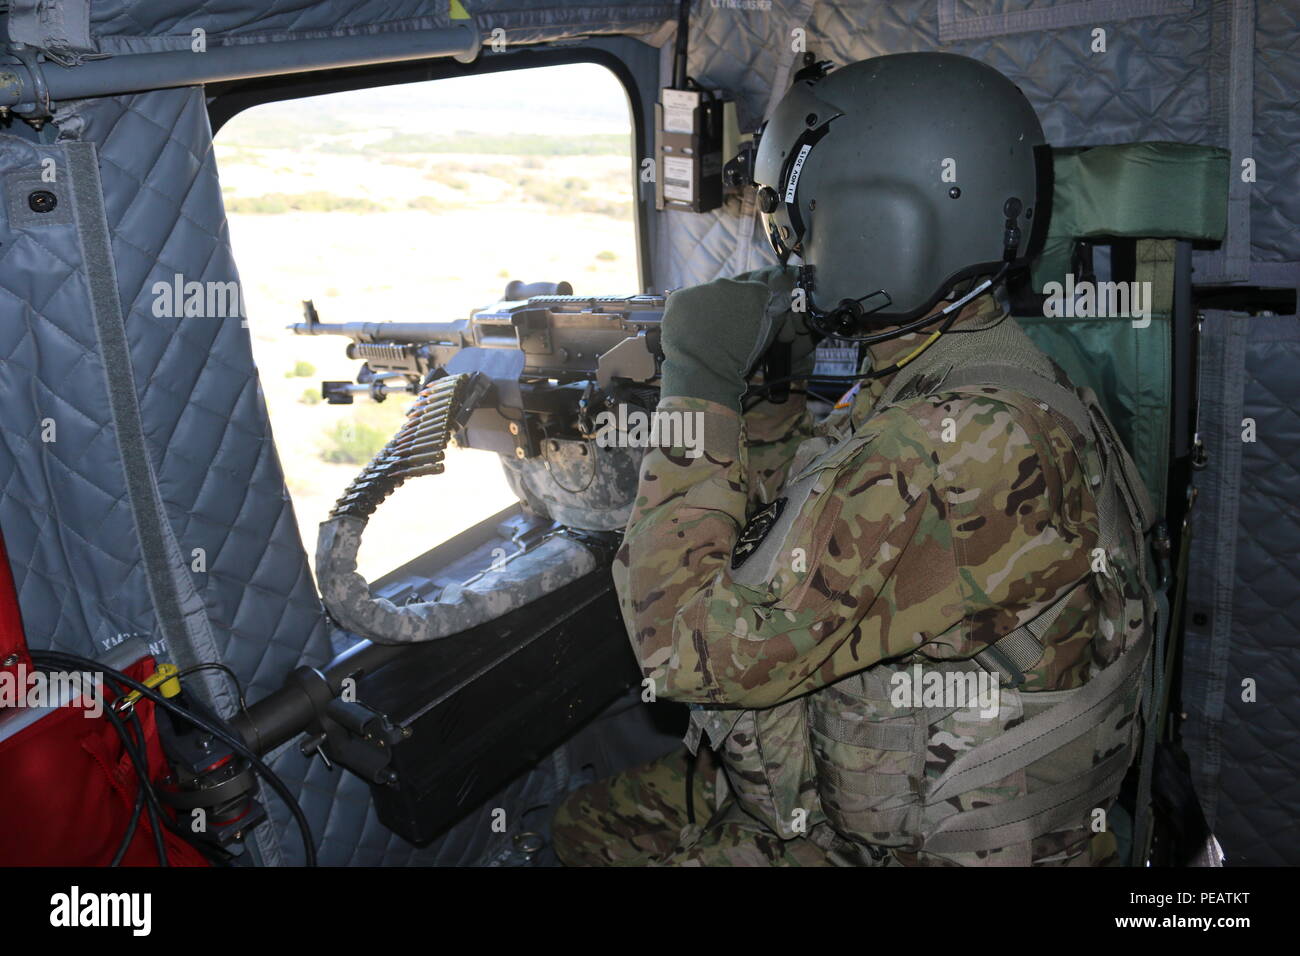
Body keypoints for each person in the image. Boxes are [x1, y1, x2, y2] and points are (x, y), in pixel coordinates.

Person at [553, 52, 1156, 866]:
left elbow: (681, 650)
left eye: (798, 216)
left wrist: (699, 381)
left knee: (588, 838)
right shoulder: (986, 368)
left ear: (885, 220)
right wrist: (763, 381)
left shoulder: (941, 450)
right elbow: (805, 513)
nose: (788, 242)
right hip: (884, 771)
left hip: (917, 842)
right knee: (589, 821)